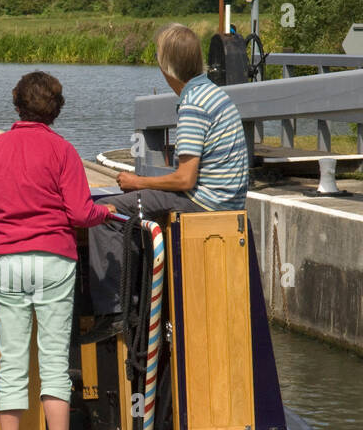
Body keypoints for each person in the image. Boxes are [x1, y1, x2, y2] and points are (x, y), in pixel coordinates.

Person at [0, 72, 116, 430]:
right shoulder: (63, 150)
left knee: (12, 363)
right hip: (53, 262)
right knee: (53, 363)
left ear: (16, 102)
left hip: (9, 263)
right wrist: (108, 212)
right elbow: (82, 213)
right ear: (56, 108)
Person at [85, 23, 249, 336]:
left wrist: (138, 182)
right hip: (228, 201)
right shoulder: (213, 93)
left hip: (204, 204)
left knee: (105, 214)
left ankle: (115, 314)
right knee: (132, 213)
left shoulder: (192, 105)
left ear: (166, 68)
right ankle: (138, 297)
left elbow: (185, 180)